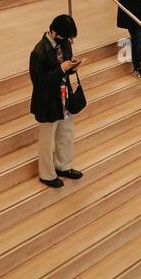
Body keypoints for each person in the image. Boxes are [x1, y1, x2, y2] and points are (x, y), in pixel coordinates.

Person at [29, 14, 84, 188]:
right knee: (47, 140)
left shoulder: (65, 42)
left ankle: (63, 166)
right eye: (62, 37)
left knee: (66, 133)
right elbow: (39, 82)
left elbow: (64, 69)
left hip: (63, 96)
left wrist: (72, 68)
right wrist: (61, 69)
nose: (66, 41)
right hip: (47, 101)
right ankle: (46, 174)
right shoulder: (39, 51)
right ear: (52, 31)